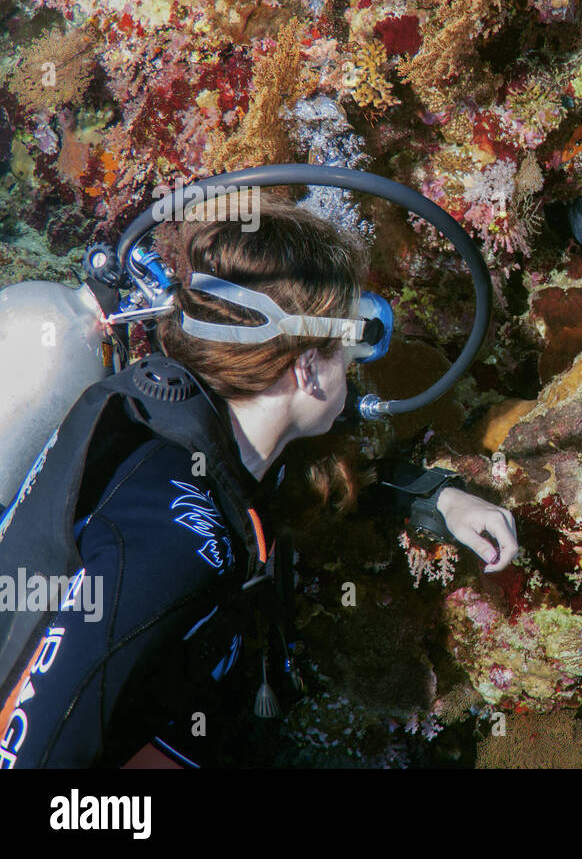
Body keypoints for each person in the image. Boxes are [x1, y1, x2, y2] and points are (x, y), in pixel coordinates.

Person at [9, 196, 517, 768]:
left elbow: (307, 482)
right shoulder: (174, 544)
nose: (354, 365)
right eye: (352, 341)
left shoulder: (207, 438)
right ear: (305, 367)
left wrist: (438, 498)